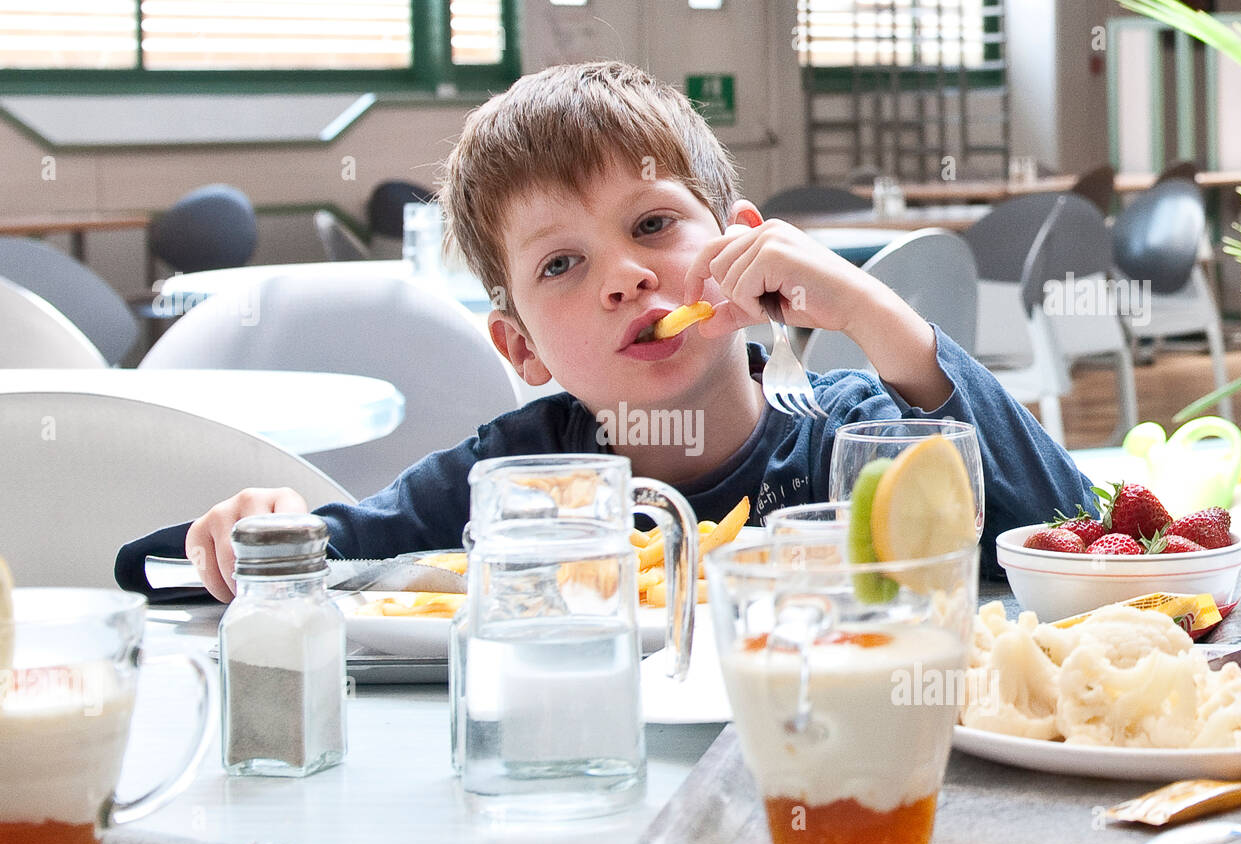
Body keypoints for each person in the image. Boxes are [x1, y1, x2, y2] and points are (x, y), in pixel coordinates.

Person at [116, 61, 1095, 602]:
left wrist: (875, 316)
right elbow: (282, 562)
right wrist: (253, 534)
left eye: (652, 226)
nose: (624, 276)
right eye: (561, 264)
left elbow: (1083, 541)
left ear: (742, 248)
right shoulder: (507, 482)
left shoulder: (853, 438)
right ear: (522, 349)